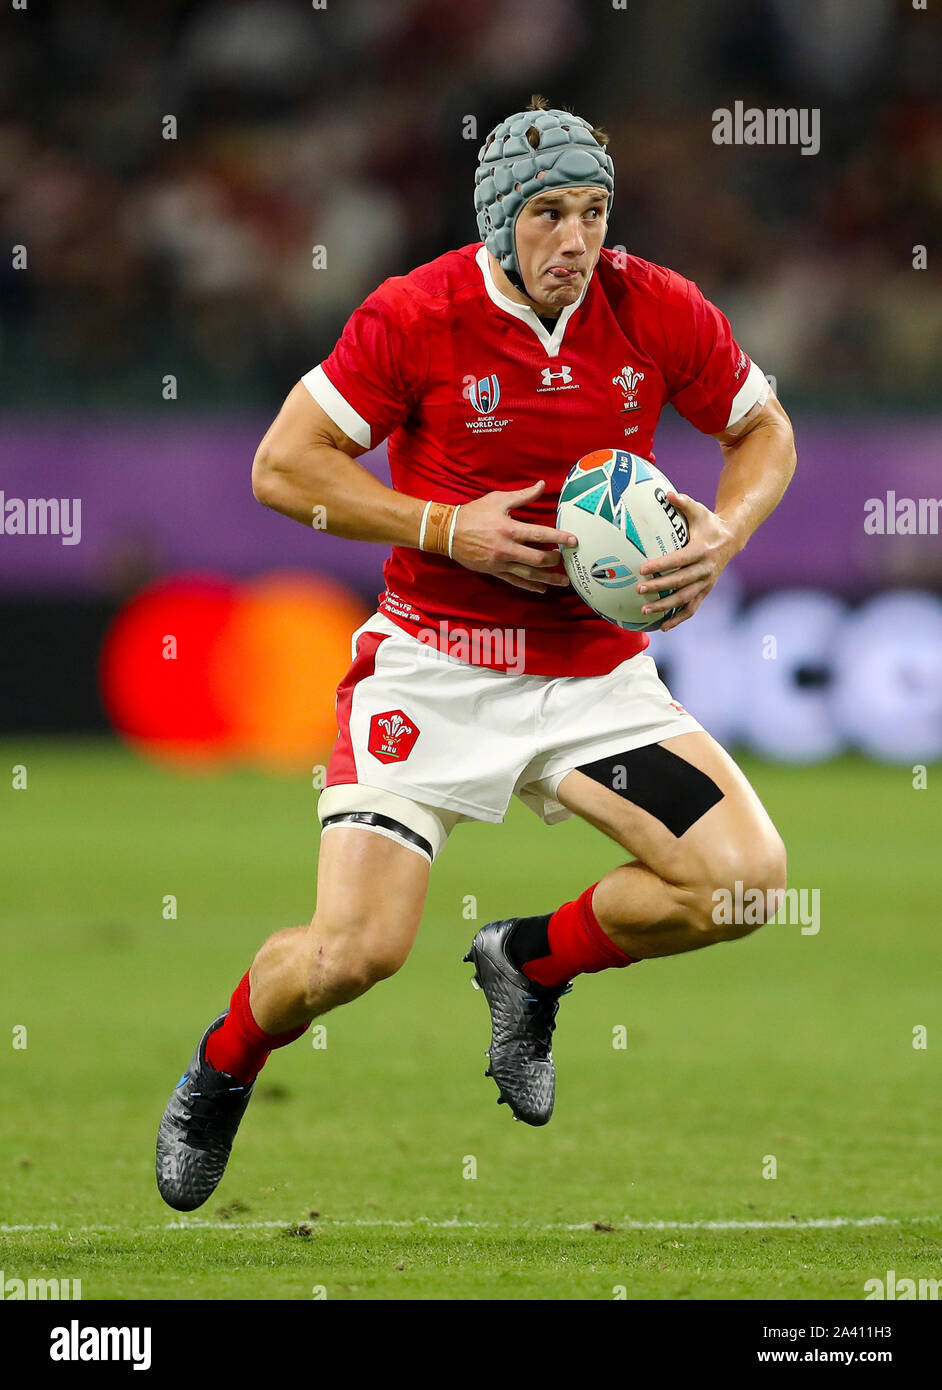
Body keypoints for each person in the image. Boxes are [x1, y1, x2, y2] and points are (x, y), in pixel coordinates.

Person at [156, 97, 795, 1210]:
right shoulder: (418, 314)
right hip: (435, 671)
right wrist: (449, 528)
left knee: (742, 888)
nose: (575, 239)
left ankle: (530, 962)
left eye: (593, 212)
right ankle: (222, 1065)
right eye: (549, 213)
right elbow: (283, 466)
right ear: (500, 221)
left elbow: (764, 431)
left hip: (594, 681)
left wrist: (722, 537)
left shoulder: (656, 309)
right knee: (352, 956)